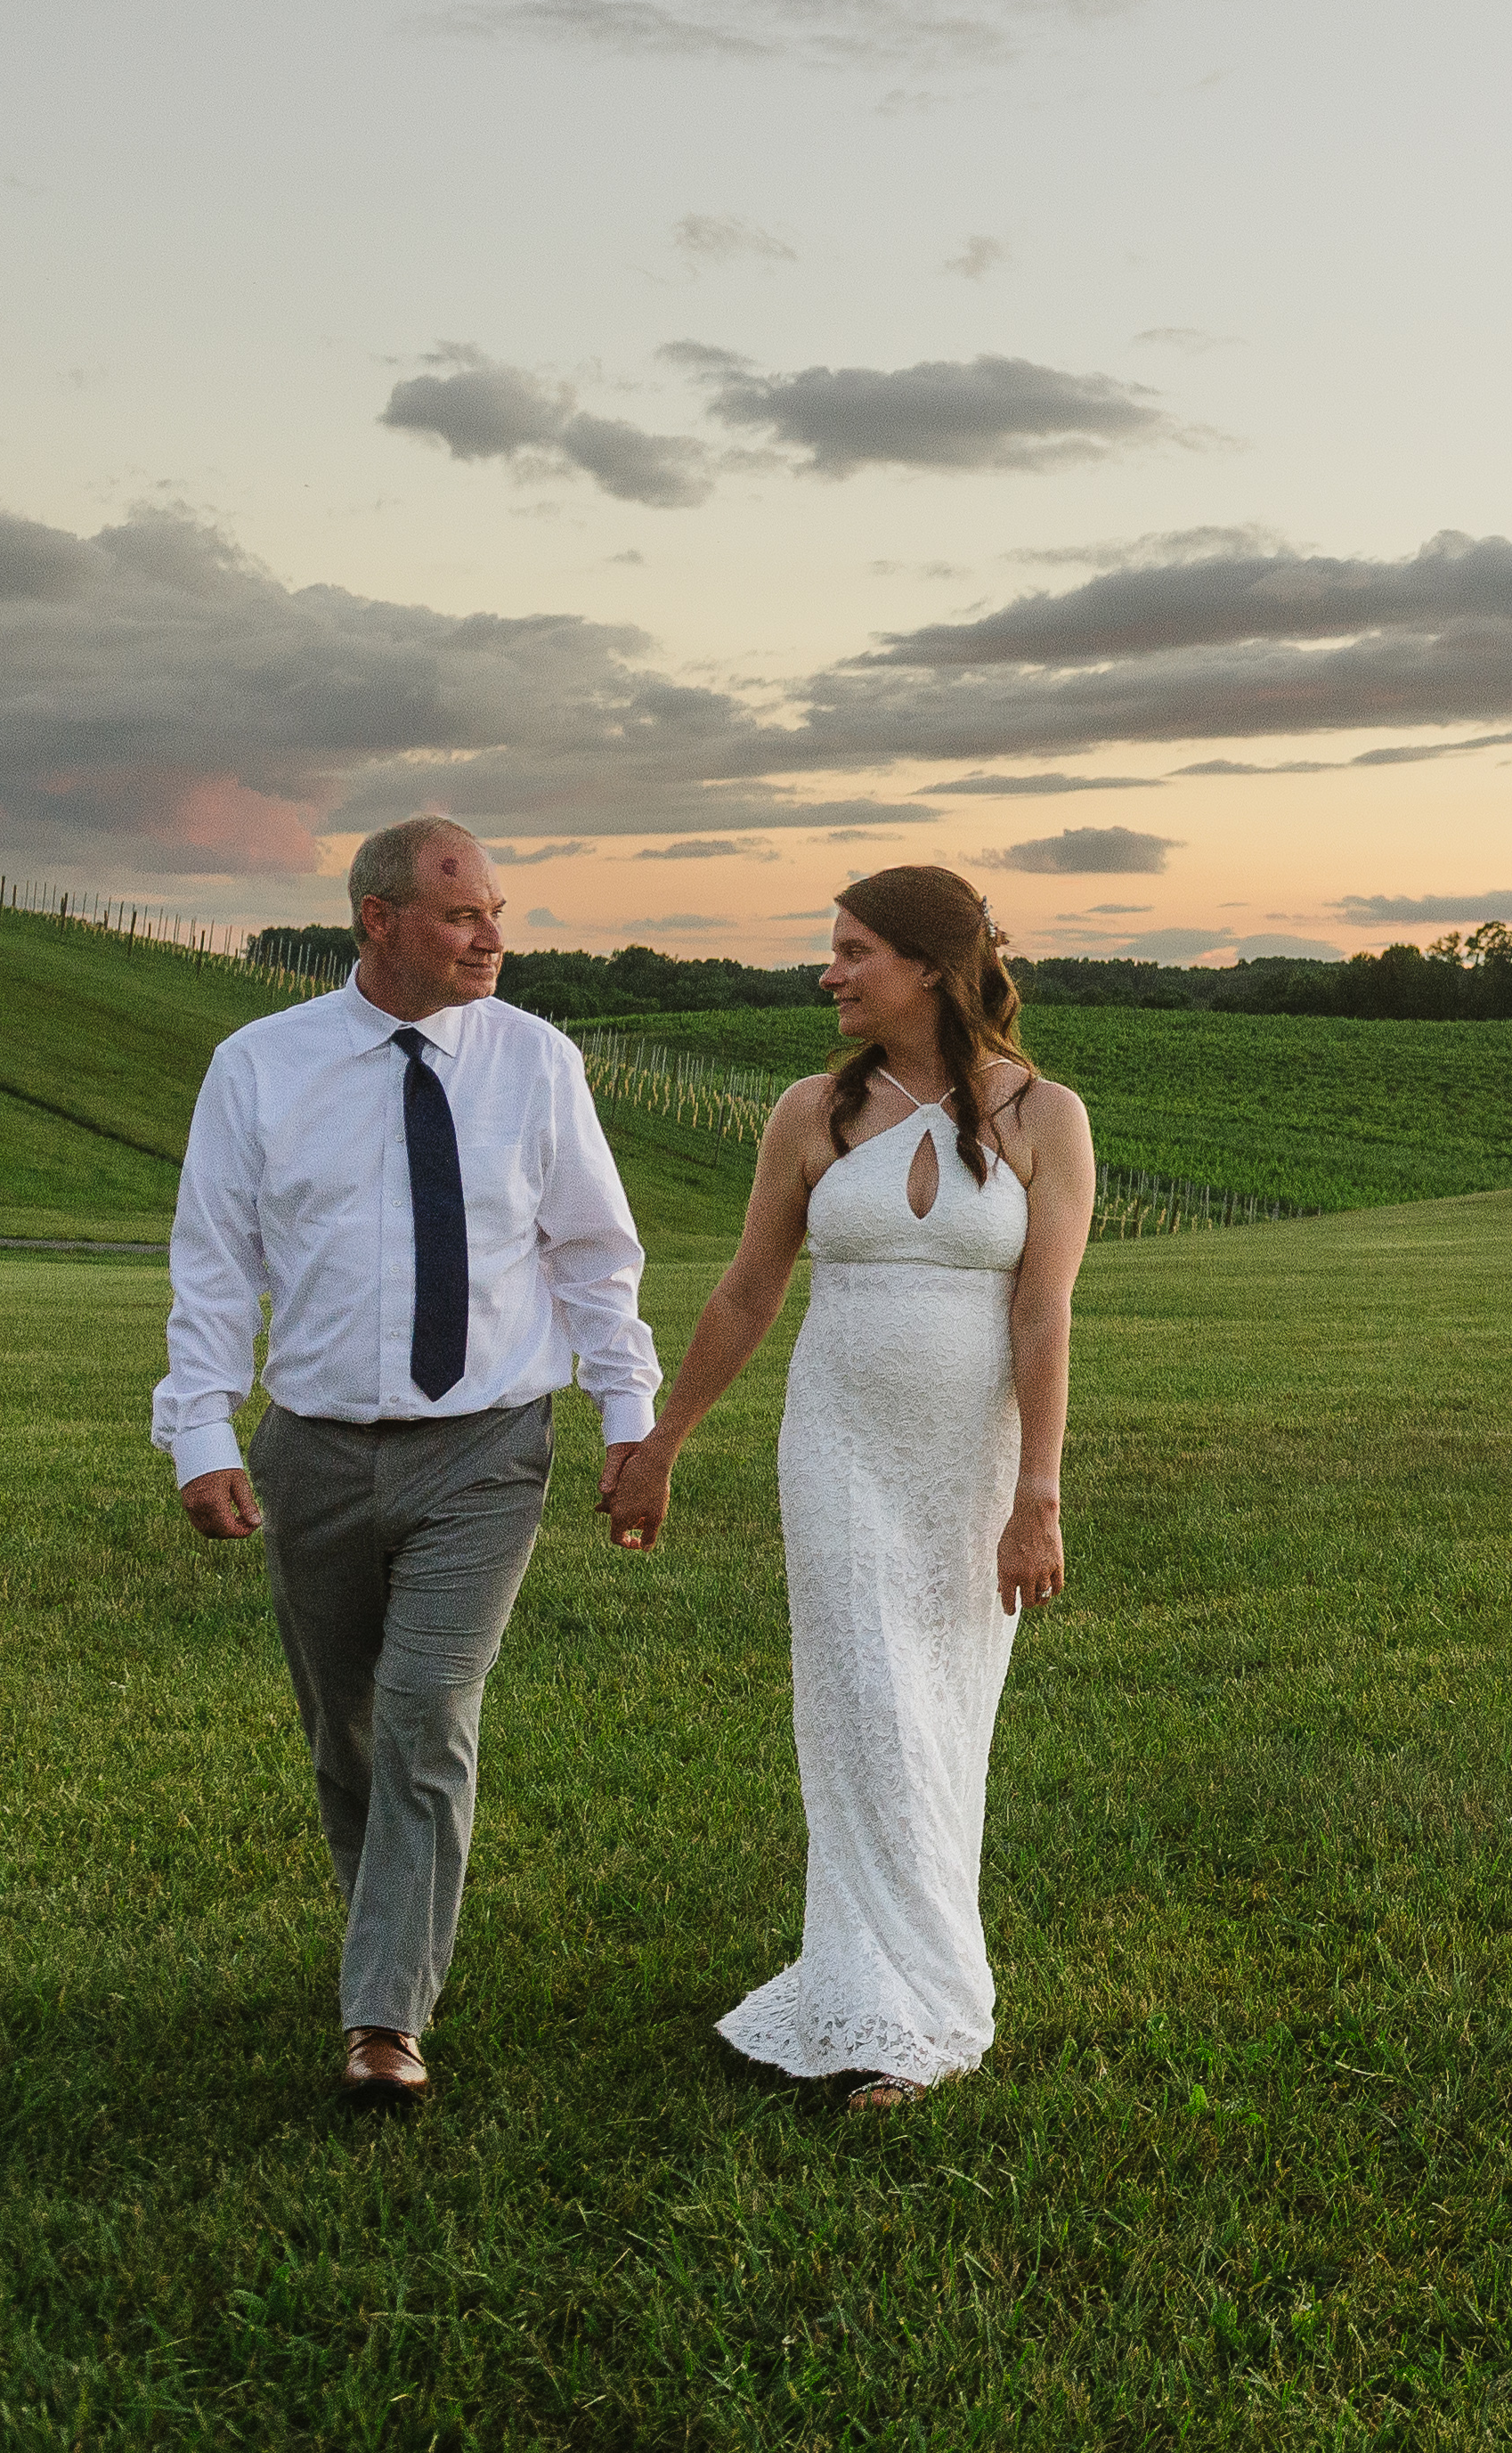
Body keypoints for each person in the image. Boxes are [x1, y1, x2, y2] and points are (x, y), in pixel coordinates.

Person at [156, 817, 661, 2110]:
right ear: (377, 920)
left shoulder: (536, 1062)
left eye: (496, 913)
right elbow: (215, 1264)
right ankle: (389, 1936)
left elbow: (592, 1253)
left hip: (487, 1447)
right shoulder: (259, 1067)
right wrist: (201, 1433)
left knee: (427, 1705)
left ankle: (384, 2015)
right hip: (315, 1450)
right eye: (460, 915)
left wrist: (629, 1417)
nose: (491, 938)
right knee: (347, 1733)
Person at [600, 864, 1090, 2109]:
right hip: (839, 1447)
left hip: (969, 1464)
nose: (830, 975)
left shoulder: (1046, 1116)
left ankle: (914, 1991)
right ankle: (888, 2008)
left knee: (941, 1715)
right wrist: (662, 1442)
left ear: (929, 965)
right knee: (865, 1704)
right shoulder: (810, 1110)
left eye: (854, 950)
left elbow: (1044, 1313)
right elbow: (747, 1289)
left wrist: (1037, 1495)